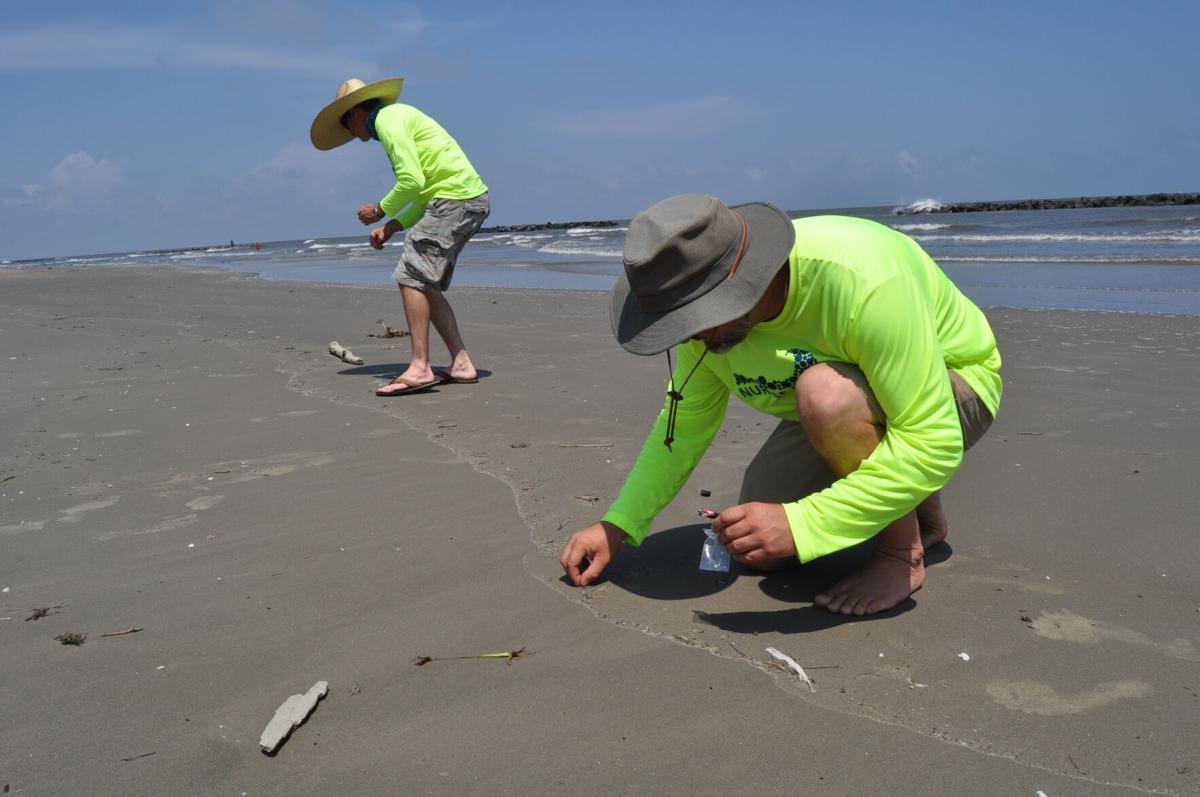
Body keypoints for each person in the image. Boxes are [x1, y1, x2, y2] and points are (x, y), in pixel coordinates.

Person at [559, 194, 1002, 616]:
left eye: (695, 319)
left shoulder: (862, 278)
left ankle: (899, 553)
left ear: (747, 279)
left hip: (952, 389)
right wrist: (619, 525)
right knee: (757, 551)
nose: (690, 336)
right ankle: (920, 509)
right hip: (841, 410)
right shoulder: (699, 326)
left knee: (824, 396)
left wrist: (804, 524)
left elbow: (932, 439)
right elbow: (682, 428)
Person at [310, 77, 490, 395]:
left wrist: (378, 211)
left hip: (456, 199)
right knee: (423, 281)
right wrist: (392, 226)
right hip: (458, 198)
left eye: (345, 125)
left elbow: (411, 180)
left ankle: (420, 367)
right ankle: (461, 364)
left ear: (354, 113)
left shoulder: (388, 120)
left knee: (409, 274)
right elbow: (422, 193)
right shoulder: (397, 117)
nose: (350, 134)